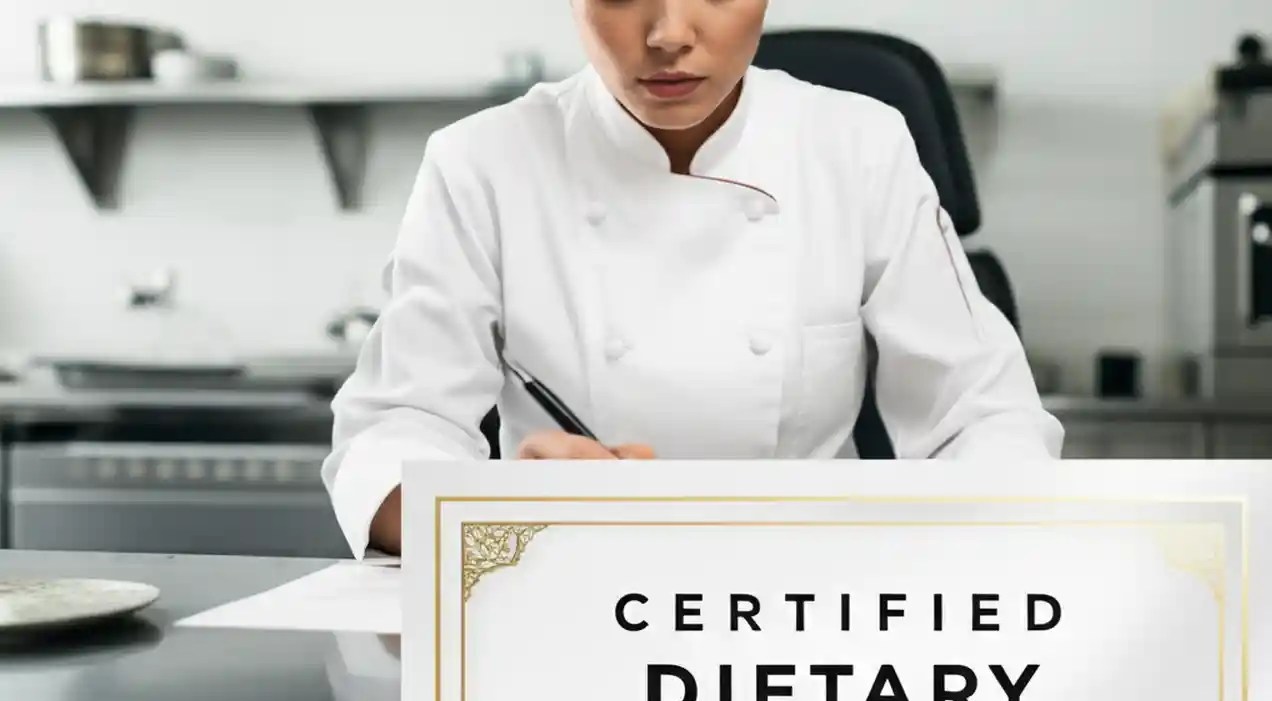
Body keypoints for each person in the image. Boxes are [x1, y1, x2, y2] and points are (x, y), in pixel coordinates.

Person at [321, 0, 1065, 558]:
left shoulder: (858, 145)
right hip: (570, 593)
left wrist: (978, 551)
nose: (668, 33)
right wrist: (498, 511)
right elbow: (393, 432)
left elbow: (982, 415)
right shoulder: (481, 163)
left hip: (813, 599)